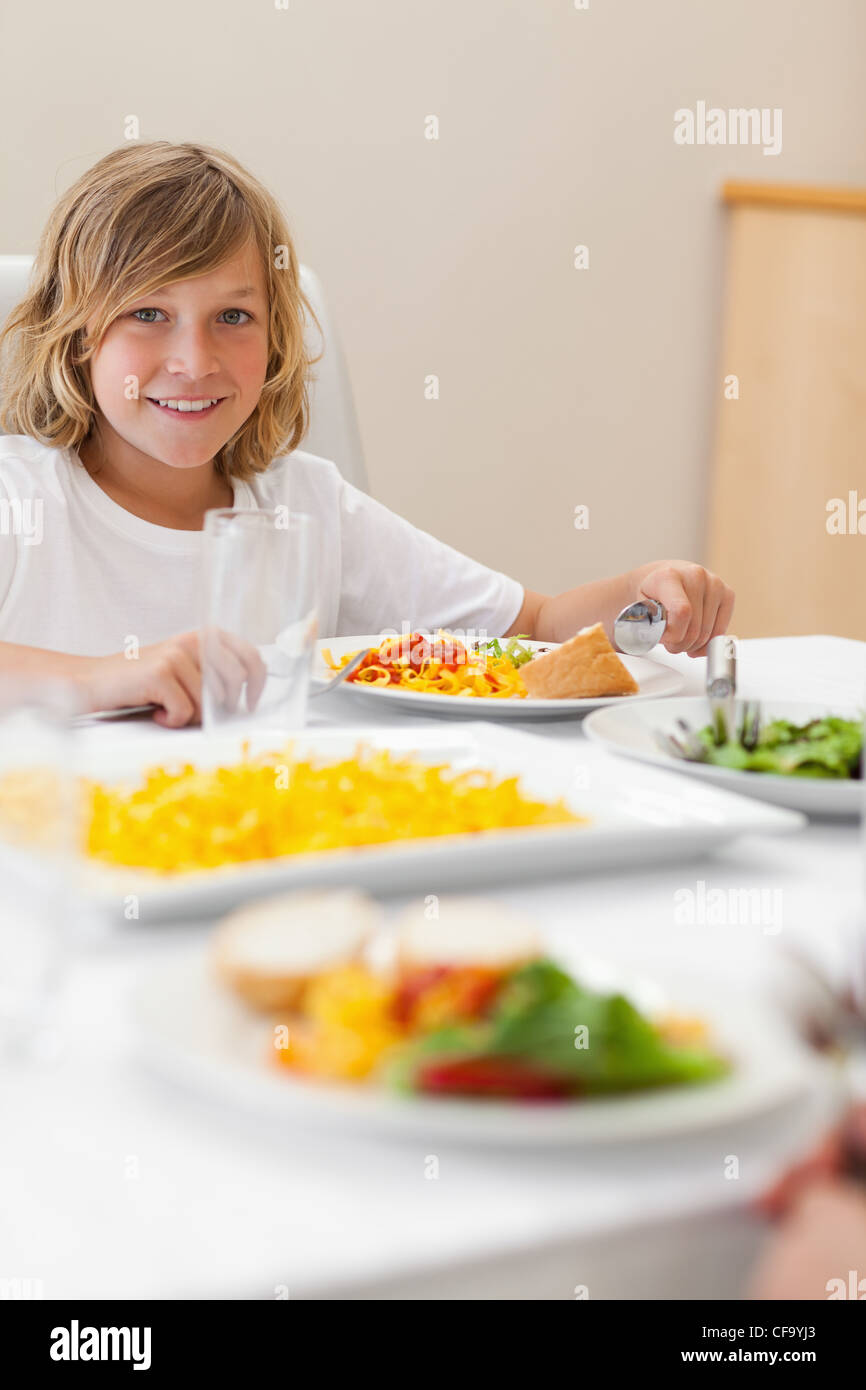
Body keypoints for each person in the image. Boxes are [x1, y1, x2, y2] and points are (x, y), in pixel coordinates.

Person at [0, 142, 734, 727]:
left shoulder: (307, 505)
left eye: (233, 317)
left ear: (276, 340)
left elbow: (535, 626)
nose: (195, 361)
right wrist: (99, 678)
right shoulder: (19, 495)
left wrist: (641, 594)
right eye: (148, 315)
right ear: (74, 337)